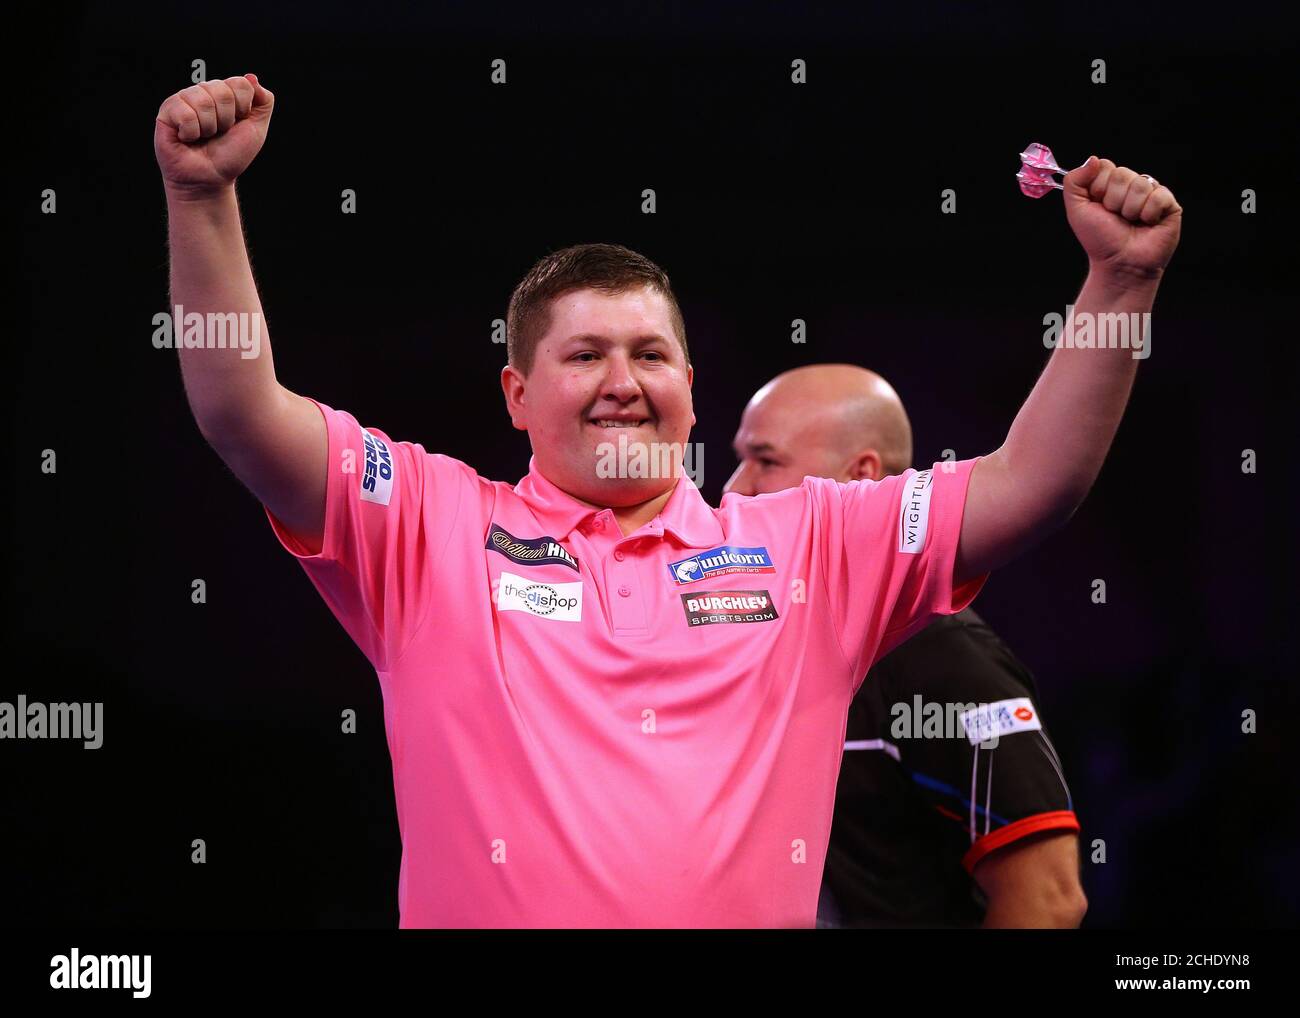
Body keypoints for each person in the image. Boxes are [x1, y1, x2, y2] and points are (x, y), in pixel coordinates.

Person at [154, 73, 1181, 927]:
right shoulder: (428, 525)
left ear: (691, 385)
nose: (622, 379)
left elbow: (1031, 482)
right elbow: (243, 411)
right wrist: (202, 201)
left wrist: (1120, 283)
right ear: (515, 394)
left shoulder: (811, 543)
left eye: (651, 353)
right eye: (585, 354)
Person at [725, 365, 1085, 927]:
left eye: (766, 461)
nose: (734, 488)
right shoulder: (759, 644)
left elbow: (1048, 900)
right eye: (741, 458)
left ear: (859, 475)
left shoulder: (948, 660)